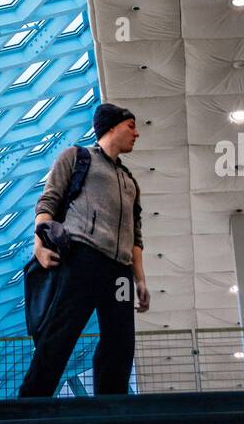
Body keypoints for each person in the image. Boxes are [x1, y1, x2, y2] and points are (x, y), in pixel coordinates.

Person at [18, 103, 149, 397]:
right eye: (131, 126)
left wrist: (140, 278)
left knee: (121, 342)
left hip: (120, 272)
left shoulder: (130, 182)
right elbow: (48, 202)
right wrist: (39, 246)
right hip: (83, 258)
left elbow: (136, 235)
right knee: (61, 333)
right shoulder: (77, 158)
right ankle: (30, 402)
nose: (137, 134)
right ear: (112, 126)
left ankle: (110, 408)